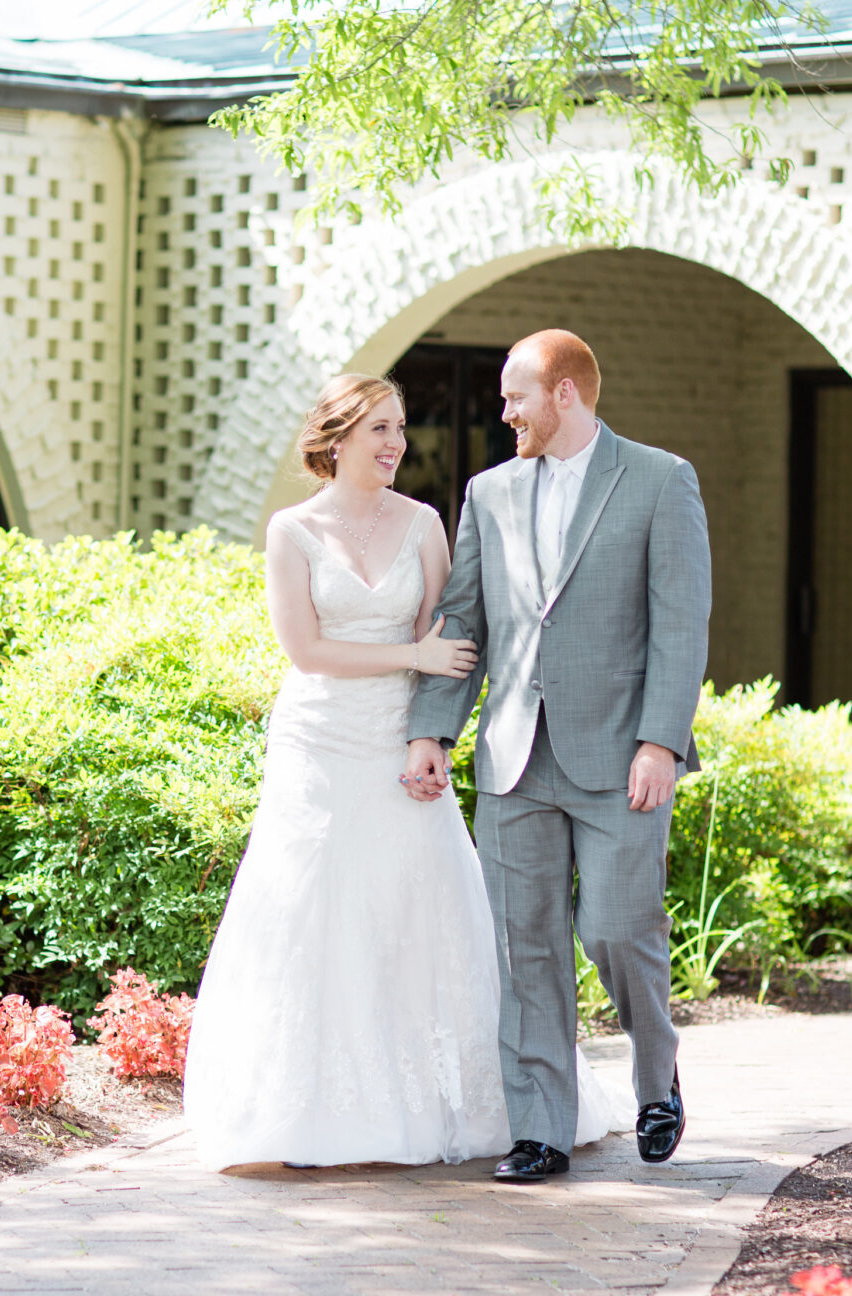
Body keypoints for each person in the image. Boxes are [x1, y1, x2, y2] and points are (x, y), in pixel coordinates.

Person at [183, 373, 633, 1171]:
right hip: (318, 747)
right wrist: (413, 652)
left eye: (399, 427)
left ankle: (471, 1100)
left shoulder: (426, 522)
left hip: (399, 743)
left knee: (419, 909)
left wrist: (435, 736)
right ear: (336, 440)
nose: (396, 443)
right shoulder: (291, 531)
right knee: (310, 912)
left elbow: (450, 640)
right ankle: (304, 1112)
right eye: (378, 430)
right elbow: (306, 650)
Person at [404, 328, 711, 1182]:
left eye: (516, 398)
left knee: (618, 927)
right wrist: (433, 728)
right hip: (512, 757)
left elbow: (681, 625)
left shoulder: (659, 480)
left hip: (621, 758)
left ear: (565, 392)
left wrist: (661, 741)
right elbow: (463, 620)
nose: (504, 413)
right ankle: (540, 1126)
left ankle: (658, 1074)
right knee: (523, 945)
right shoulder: (489, 493)